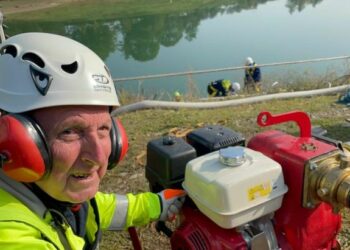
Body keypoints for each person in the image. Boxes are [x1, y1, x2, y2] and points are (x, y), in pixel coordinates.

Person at [0, 32, 186, 249]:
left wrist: (158, 204)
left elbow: (98, 208)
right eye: (69, 131)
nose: (98, 156)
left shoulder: (55, 191)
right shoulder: (10, 234)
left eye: (104, 129)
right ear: (14, 142)